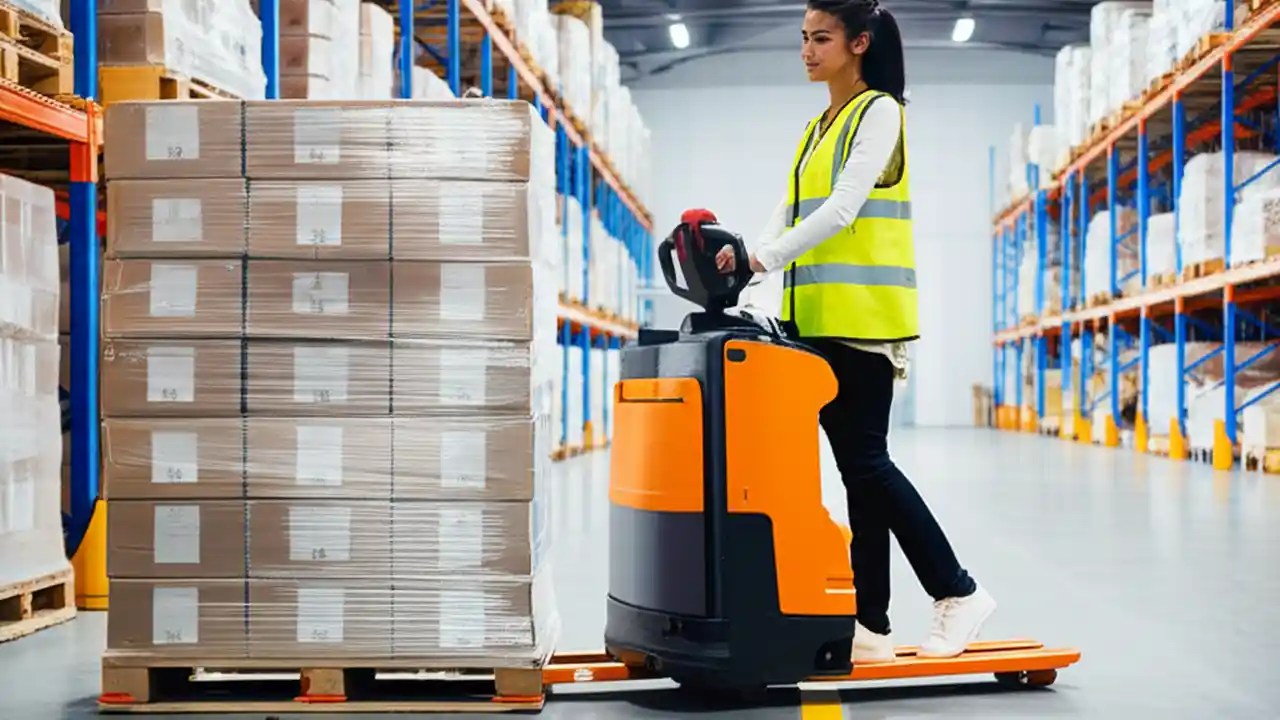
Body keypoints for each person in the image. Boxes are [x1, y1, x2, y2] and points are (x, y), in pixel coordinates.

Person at [715, 0, 996, 663]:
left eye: (821, 38)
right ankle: (872, 622)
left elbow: (843, 209)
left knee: (868, 464)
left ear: (859, 43)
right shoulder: (819, 126)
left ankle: (958, 592)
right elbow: (791, 207)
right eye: (803, 38)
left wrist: (763, 259)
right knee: (857, 475)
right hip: (816, 321)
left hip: (866, 320)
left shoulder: (880, 112)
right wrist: (744, 261)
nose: (807, 50)